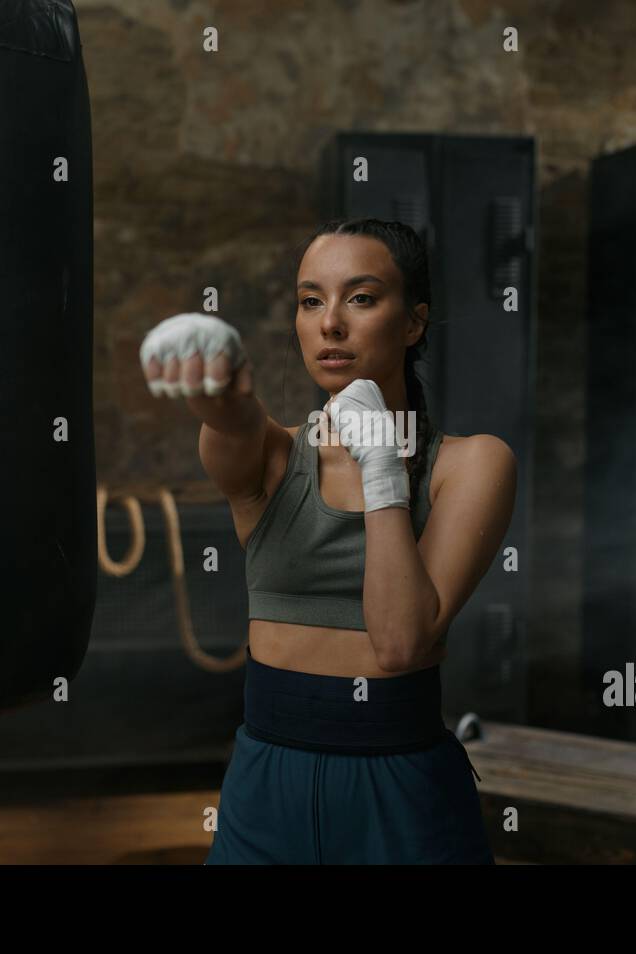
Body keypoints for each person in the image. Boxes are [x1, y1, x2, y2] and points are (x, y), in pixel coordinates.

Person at [140, 218, 516, 864]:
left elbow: (401, 643)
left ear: (414, 323)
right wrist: (217, 376)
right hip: (265, 788)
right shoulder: (274, 458)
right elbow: (232, 417)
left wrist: (382, 472)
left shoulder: (472, 465)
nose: (330, 324)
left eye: (361, 298)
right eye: (311, 300)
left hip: (400, 792)